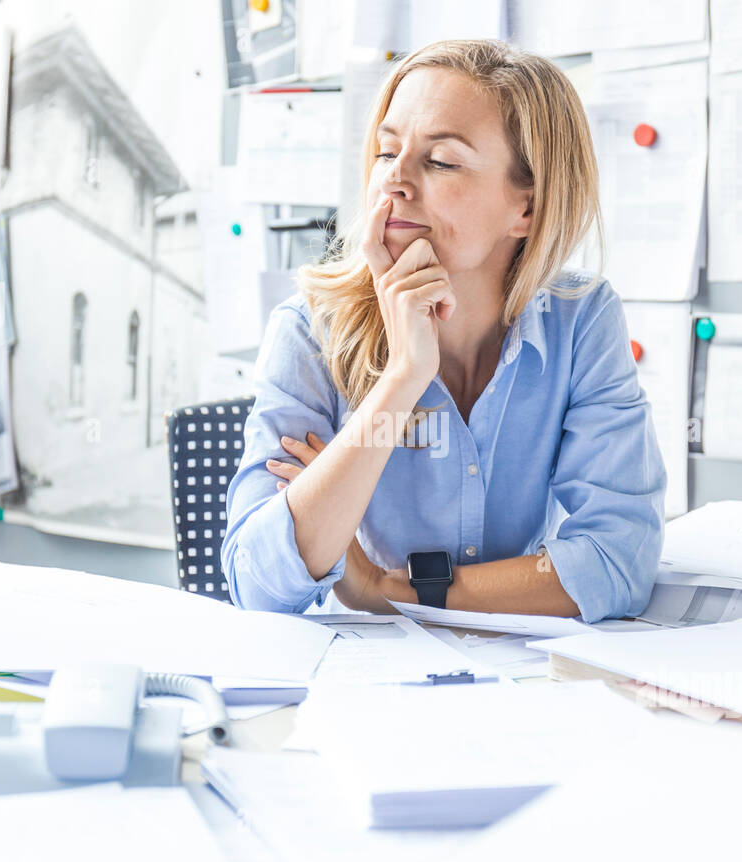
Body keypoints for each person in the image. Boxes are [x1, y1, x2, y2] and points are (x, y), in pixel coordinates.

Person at [221, 39, 666, 623]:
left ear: (526, 209)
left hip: (525, 676)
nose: (395, 181)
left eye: (441, 161)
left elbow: (616, 563)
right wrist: (402, 378)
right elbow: (258, 583)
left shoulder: (580, 320)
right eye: (386, 152)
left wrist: (386, 588)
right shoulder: (310, 330)